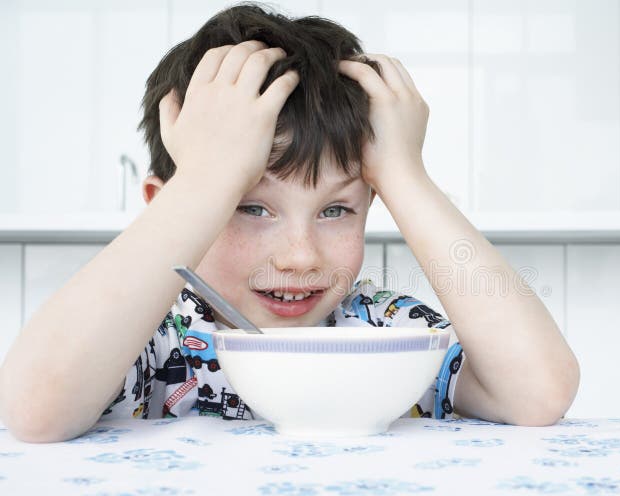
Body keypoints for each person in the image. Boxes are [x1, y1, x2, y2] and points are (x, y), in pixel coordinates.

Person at [0, 3, 579, 442]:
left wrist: (405, 175)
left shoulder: (383, 333)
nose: (300, 257)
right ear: (169, 207)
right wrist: (205, 179)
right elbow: (34, 409)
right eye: (250, 206)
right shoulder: (145, 339)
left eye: (336, 209)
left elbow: (537, 393)